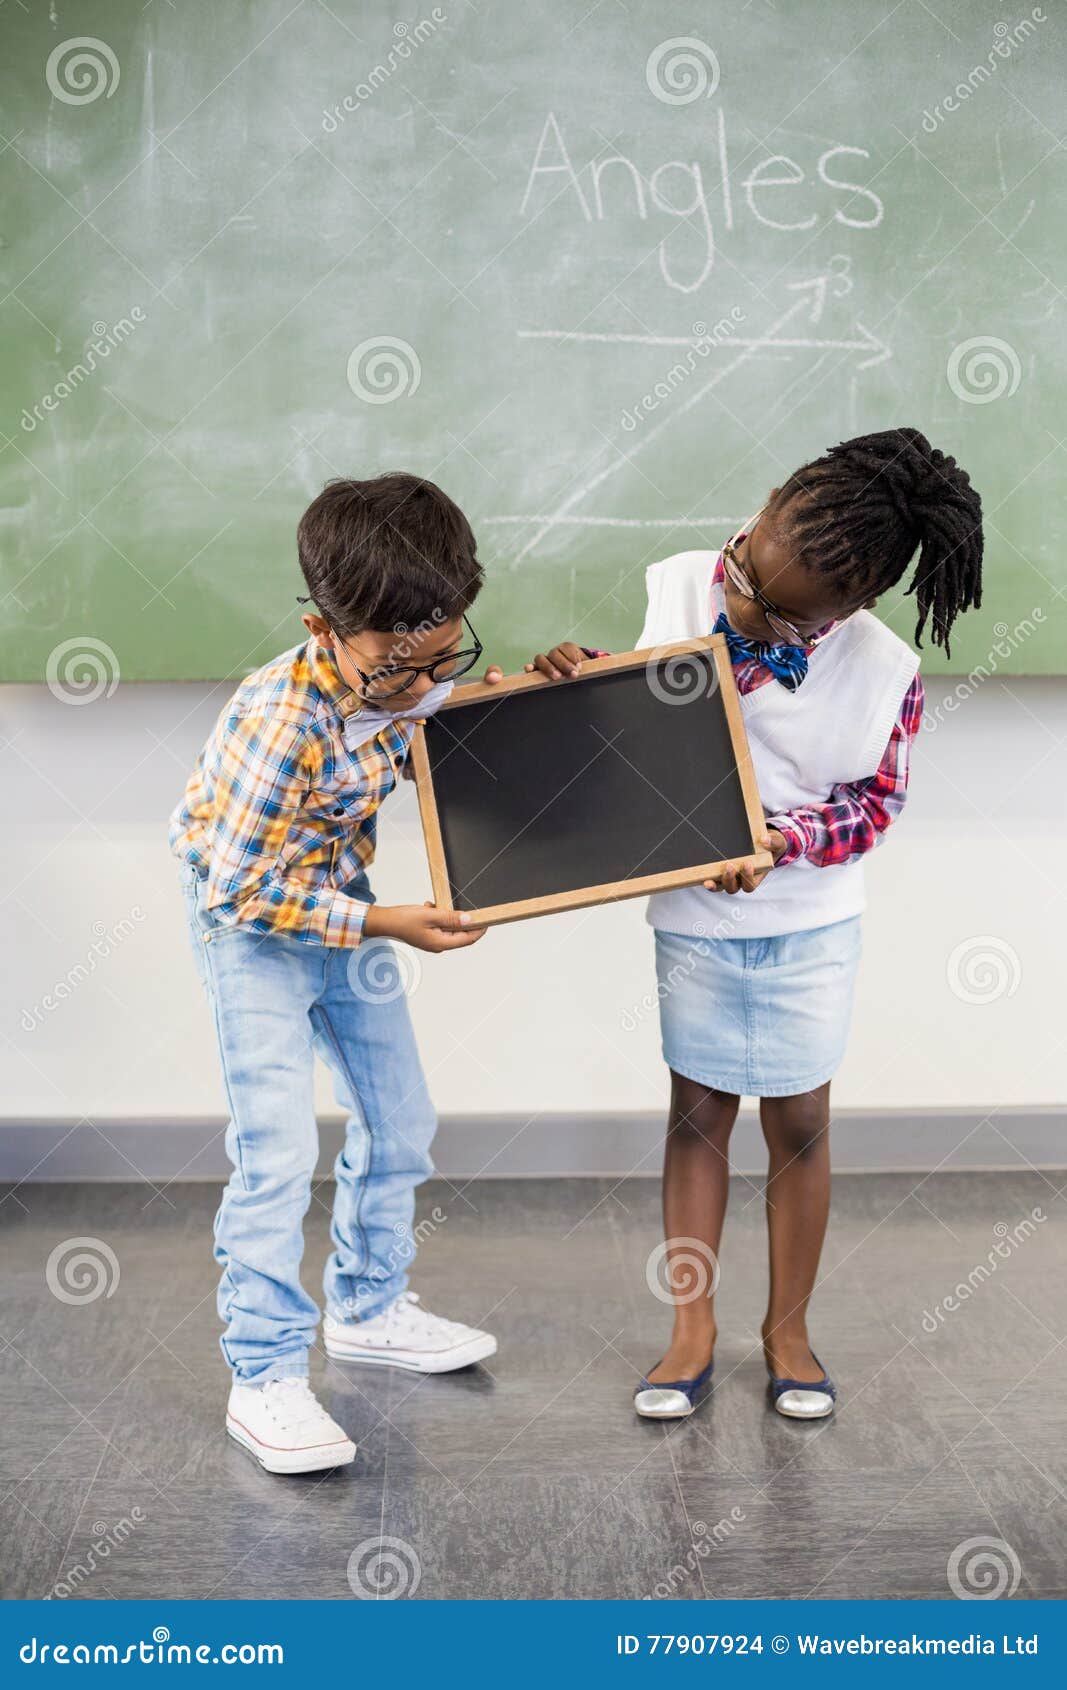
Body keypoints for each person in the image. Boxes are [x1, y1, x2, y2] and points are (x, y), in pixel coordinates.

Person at [528, 428, 983, 1421]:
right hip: (692, 911)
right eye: (743, 562)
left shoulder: (882, 668)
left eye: (770, 607)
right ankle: (689, 1332)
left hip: (809, 920)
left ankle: (787, 1330)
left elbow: (873, 802)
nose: (735, 597)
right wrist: (582, 674)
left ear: (852, 603)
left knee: (799, 1122)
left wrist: (779, 840)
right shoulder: (684, 580)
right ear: (764, 504)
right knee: (695, 1113)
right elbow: (648, 702)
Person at [171, 473, 501, 1474]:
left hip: (341, 904)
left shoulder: (404, 670)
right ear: (325, 628)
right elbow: (236, 891)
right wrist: (384, 921)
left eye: (445, 658)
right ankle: (264, 1374)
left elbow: (434, 737)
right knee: (273, 1152)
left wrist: (529, 693)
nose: (423, 684)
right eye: (400, 669)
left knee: (399, 1117)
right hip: (253, 926)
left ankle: (364, 1307)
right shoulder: (283, 722)